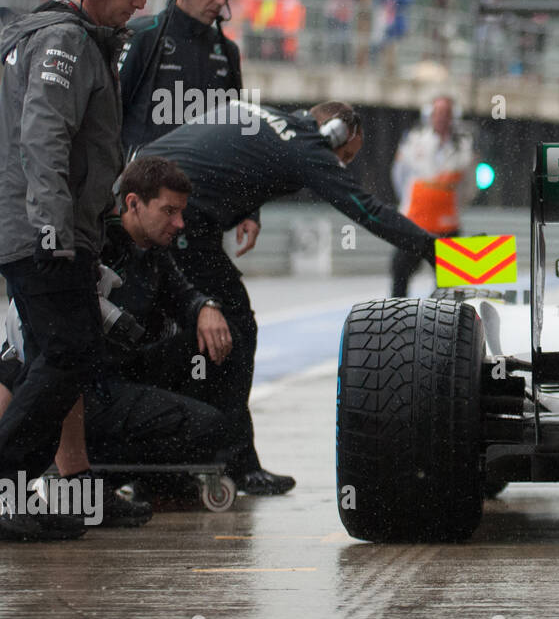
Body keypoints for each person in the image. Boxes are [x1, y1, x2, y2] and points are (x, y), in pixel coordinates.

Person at [139, 98, 443, 495]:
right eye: (345, 156)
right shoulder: (308, 148)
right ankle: (237, 464)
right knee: (236, 329)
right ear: (333, 134)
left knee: (174, 331)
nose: (343, 166)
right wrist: (442, 254)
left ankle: (169, 463)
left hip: (143, 198)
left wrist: (250, 210)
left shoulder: (260, 115)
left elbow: (231, 159)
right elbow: (366, 211)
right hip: (183, 219)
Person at [0, 0, 164, 540]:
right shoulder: (64, 42)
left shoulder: (49, 37)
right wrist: (53, 230)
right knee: (72, 350)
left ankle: (41, 491)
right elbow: (43, 134)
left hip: (44, 228)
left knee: (50, 355)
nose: (137, 7)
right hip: (42, 230)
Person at [4, 158, 233, 507]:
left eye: (181, 212)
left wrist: (206, 308)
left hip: (116, 375)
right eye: (169, 211)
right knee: (209, 428)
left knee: (215, 343)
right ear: (133, 204)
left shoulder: (152, 250)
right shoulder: (95, 246)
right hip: (87, 388)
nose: (179, 223)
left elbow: (183, 294)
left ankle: (128, 473)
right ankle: (95, 473)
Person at [118, 0, 242, 153]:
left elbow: (233, 126)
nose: (221, 1)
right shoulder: (141, 36)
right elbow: (107, 116)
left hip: (202, 178)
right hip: (143, 179)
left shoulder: (228, 51)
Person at [389, 94, 473, 297]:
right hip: (414, 221)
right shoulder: (413, 140)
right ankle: (398, 316)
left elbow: (469, 186)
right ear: (429, 115)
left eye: (446, 113)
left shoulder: (464, 146)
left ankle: (442, 323)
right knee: (400, 272)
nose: (442, 118)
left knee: (448, 285)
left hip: (448, 225)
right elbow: (399, 176)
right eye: (438, 112)